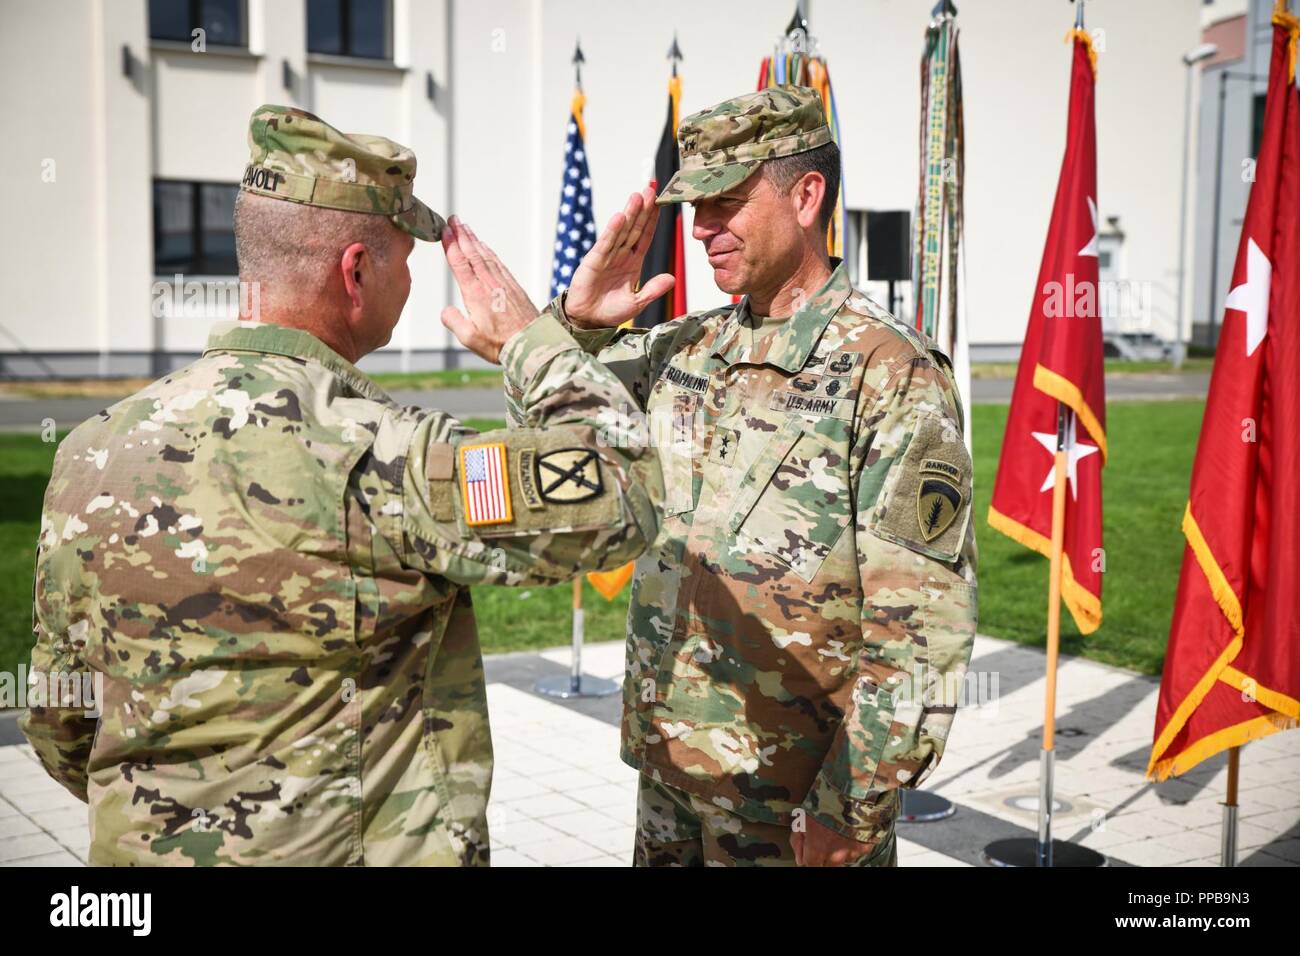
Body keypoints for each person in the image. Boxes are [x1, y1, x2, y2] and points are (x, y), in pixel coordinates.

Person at [21, 105, 663, 866]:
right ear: (355, 271)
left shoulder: (92, 450)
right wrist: (537, 339)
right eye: (403, 258)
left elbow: (58, 714)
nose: (413, 276)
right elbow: (622, 488)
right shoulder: (385, 455)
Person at [536, 86, 979, 866]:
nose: (702, 228)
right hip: (670, 768)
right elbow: (554, 422)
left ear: (807, 196)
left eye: (727, 202)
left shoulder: (890, 373)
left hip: (795, 805)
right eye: (695, 207)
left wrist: (853, 806)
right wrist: (577, 322)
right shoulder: (689, 345)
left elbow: (920, 630)